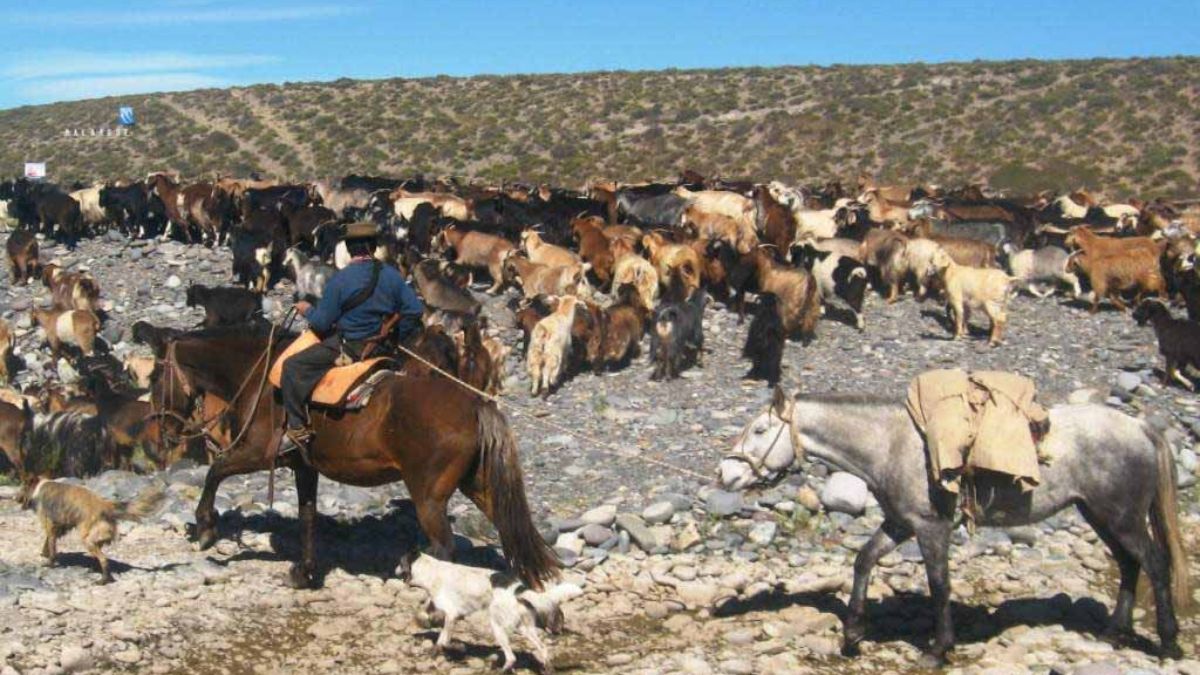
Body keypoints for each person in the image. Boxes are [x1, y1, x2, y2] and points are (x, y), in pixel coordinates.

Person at [279, 222, 424, 460]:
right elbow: (414, 310)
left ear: (347, 247)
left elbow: (322, 324)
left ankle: (297, 428)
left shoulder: (341, 279)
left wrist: (307, 310)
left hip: (351, 346)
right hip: (384, 346)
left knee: (292, 367)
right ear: (375, 247)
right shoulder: (392, 275)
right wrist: (395, 335)